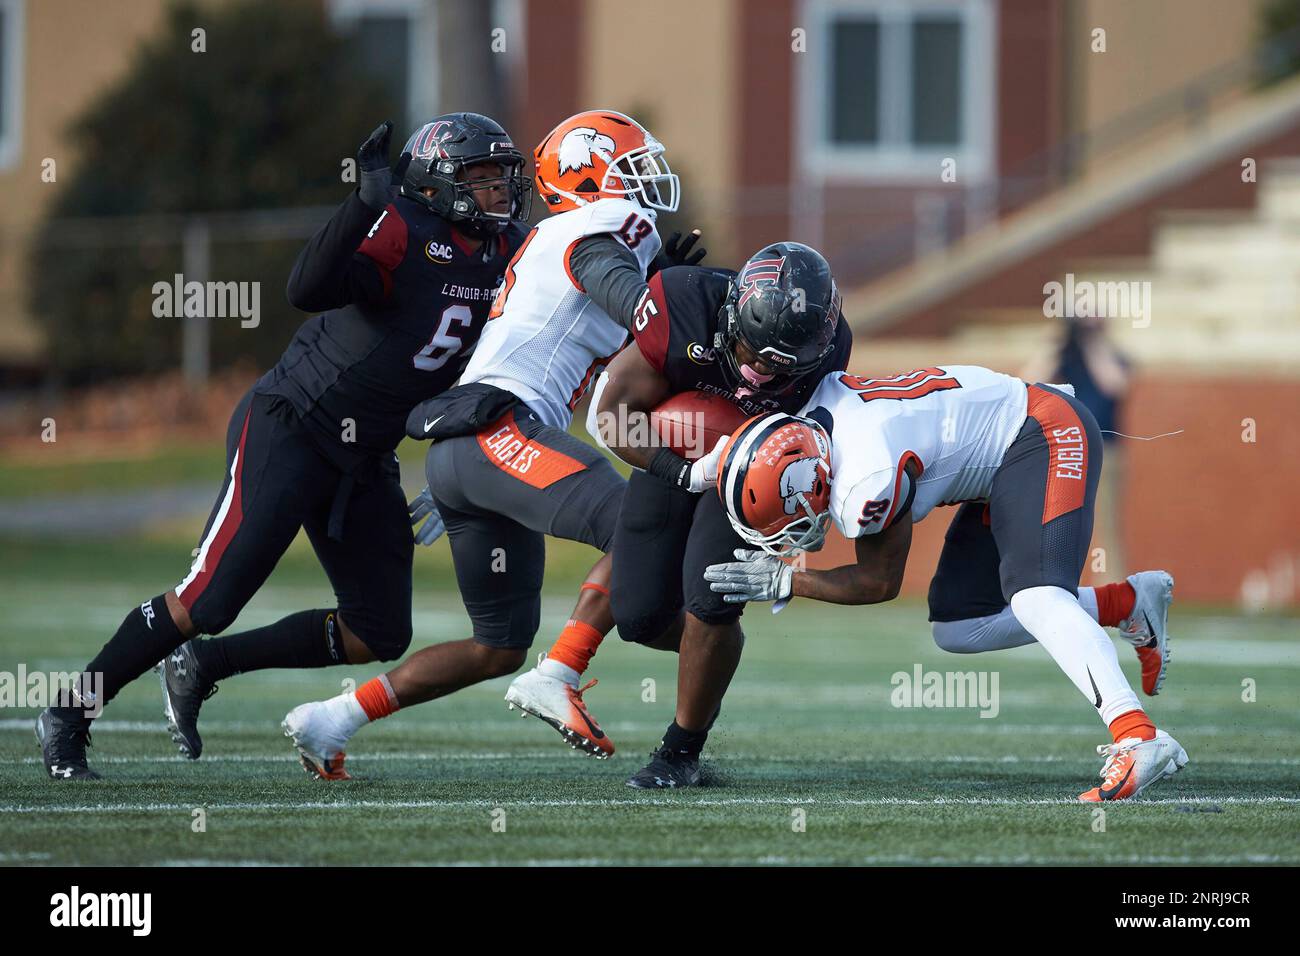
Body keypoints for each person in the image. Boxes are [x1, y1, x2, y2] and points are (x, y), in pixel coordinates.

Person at [35, 114, 531, 780]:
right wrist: (361, 206)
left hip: (365, 456)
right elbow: (306, 288)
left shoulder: (510, 252)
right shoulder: (403, 230)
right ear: (441, 185)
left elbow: (556, 314)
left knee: (377, 631)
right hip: (294, 424)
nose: (499, 190)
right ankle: (69, 713)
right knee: (208, 598)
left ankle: (204, 665)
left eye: (502, 176)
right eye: (482, 177)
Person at [279, 109, 706, 778]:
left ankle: (333, 719)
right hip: (497, 433)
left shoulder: (552, 236)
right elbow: (632, 310)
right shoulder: (598, 230)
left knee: (497, 647)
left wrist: (655, 286)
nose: (647, 183)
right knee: (640, 525)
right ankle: (561, 670)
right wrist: (672, 306)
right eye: (632, 169)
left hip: (470, 450)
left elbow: (589, 337)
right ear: (588, 179)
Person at [704, 366, 1184, 801]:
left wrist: (790, 581)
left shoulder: (863, 481)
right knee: (960, 626)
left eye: (786, 515)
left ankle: (1137, 735)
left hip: (1044, 429)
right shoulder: (804, 423)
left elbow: (880, 581)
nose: (785, 532)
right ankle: (1125, 602)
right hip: (1003, 460)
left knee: (1037, 596)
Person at [507, 242, 851, 788]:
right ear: (733, 315)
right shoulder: (684, 302)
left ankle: (681, 750)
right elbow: (612, 415)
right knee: (640, 616)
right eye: (755, 354)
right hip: (671, 450)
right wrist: (685, 471)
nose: (761, 374)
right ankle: (714, 646)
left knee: (710, 598)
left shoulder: (829, 346)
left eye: (780, 366)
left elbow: (804, 437)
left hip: (747, 470)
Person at [1022, 313, 1132, 579]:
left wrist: (1093, 343)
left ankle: (1110, 588)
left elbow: (1114, 385)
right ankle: (1055, 586)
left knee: (1105, 526)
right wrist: (1055, 344)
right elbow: (1029, 382)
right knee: (1058, 522)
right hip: (1068, 449)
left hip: (1105, 450)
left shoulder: (1114, 355)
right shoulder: (1063, 356)